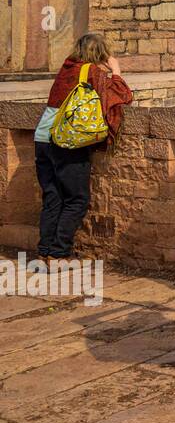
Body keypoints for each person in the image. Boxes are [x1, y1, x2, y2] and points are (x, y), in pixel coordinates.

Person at [34, 33, 133, 259]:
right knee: (77, 199)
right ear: (101, 53)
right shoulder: (91, 71)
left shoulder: (66, 68)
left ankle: (44, 251)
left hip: (42, 137)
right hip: (67, 141)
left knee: (52, 196)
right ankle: (59, 253)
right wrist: (116, 70)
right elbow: (121, 96)